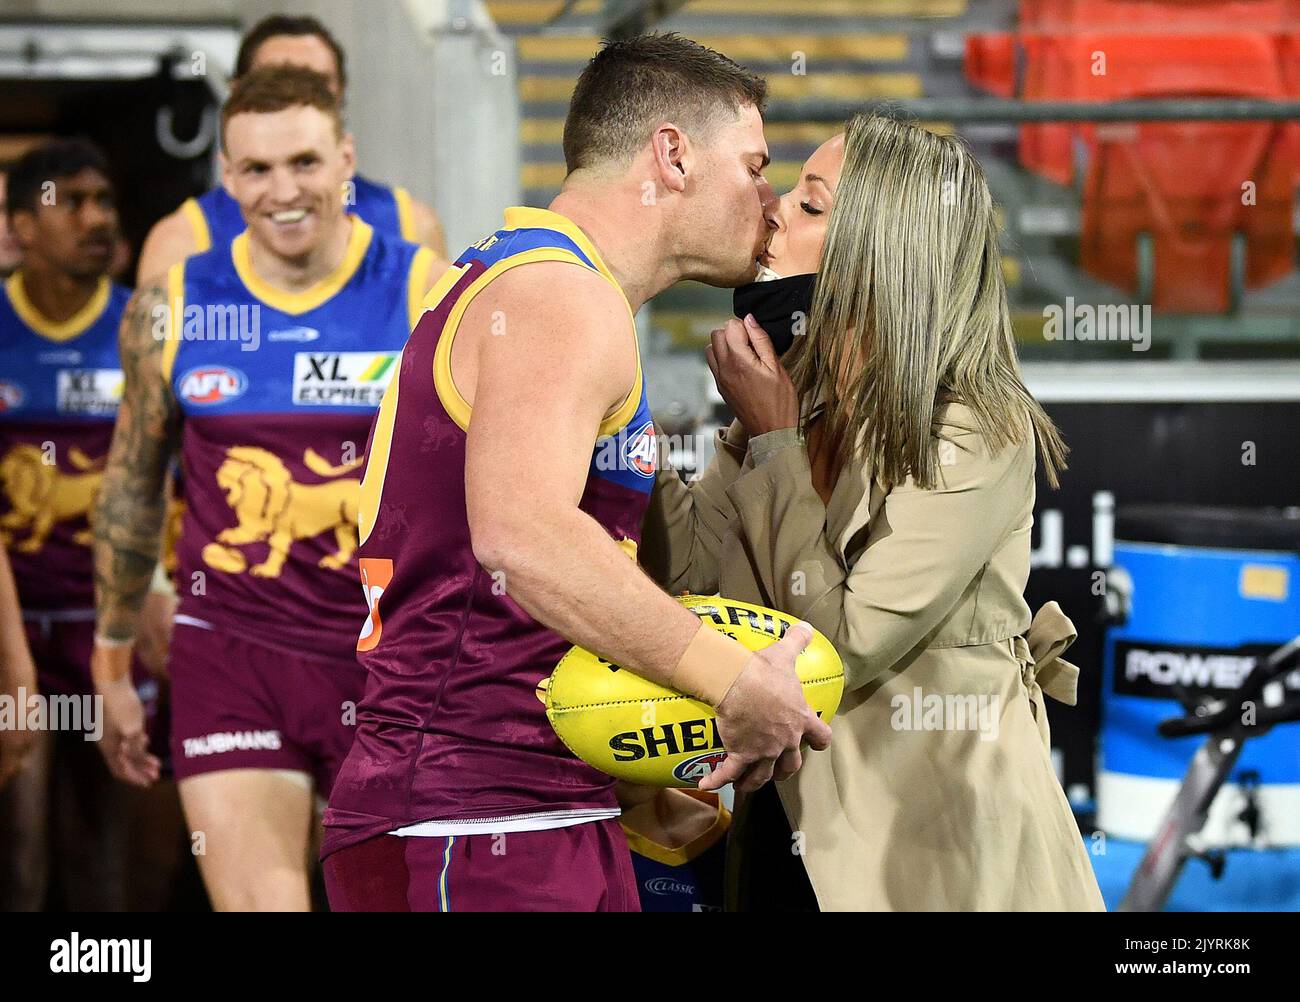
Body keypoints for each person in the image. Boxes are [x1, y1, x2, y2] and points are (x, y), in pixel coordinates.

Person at [322, 33, 830, 913]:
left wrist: (635, 777)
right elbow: (523, 538)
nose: (770, 203)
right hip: (464, 819)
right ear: (671, 155)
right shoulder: (561, 296)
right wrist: (735, 683)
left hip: (530, 807)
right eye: (753, 167)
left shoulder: (543, 279)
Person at [641, 114, 1106, 911]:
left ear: (884, 255)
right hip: (789, 840)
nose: (774, 208)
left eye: (812, 206)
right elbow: (683, 576)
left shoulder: (977, 429)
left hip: (935, 860)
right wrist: (623, 413)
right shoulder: (791, 397)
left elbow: (843, 647)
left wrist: (777, 441)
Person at [92, 66, 443, 911]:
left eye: (305, 163)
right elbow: (132, 484)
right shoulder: (171, 305)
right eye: (256, 170)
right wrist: (110, 662)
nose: (283, 191)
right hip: (230, 651)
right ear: (225, 175)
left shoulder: (427, 290)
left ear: (346, 159)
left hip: (389, 662)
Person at [0, 139, 167, 910]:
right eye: (71, 202)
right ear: (19, 225)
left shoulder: (145, 324)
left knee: (103, 857)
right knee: (19, 853)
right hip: (10, 634)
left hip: (109, 633)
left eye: (105, 200)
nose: (97, 218)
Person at [136, 13, 447, 284]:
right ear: (236, 91)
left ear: (341, 92)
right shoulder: (182, 240)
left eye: (316, 82)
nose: (295, 95)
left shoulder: (411, 224)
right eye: (275, 80)